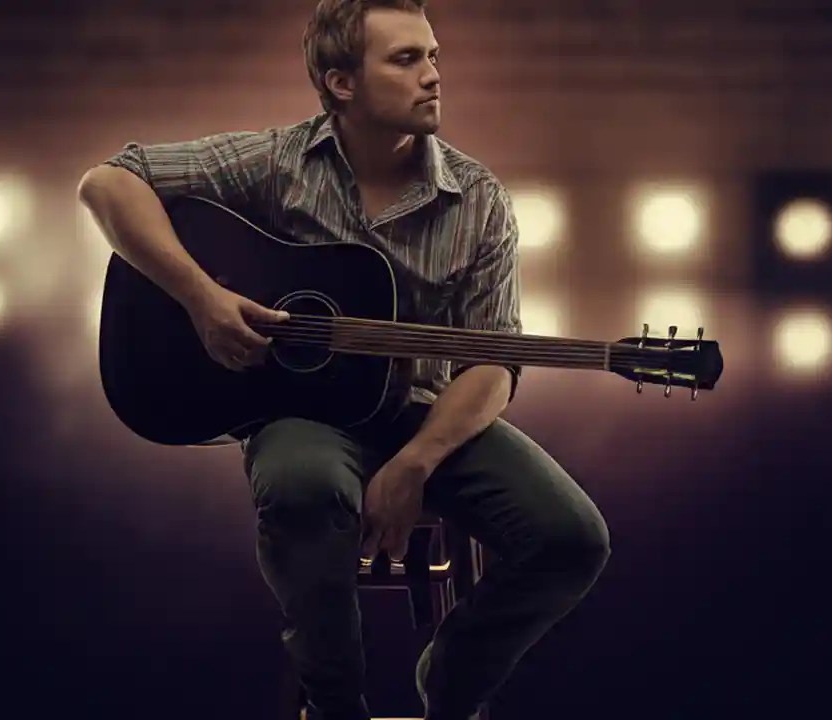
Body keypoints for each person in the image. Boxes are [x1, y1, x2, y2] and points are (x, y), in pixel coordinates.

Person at [76, 1, 610, 718]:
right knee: (304, 486)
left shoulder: (478, 199)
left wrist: (415, 462)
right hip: (301, 414)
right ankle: (335, 703)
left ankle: (449, 686)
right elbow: (108, 182)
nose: (432, 76)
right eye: (405, 59)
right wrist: (202, 298)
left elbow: (491, 363)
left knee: (571, 537)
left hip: (429, 415)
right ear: (341, 83)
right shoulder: (276, 163)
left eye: (433, 57)